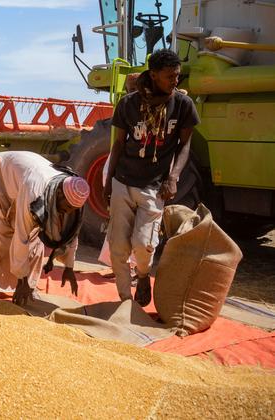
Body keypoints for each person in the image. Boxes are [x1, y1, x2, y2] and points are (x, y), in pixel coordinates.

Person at [104, 49, 200, 306]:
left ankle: (144, 275)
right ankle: (126, 303)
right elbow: (118, 146)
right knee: (118, 248)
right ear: (154, 75)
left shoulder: (182, 105)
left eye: (177, 76)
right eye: (170, 76)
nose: (175, 81)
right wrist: (108, 183)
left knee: (143, 244)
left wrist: (174, 177)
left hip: (154, 187)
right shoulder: (128, 104)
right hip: (123, 181)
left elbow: (185, 145)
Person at [0, 151, 90, 304]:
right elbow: (22, 236)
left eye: (71, 209)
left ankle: (31, 285)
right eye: (66, 208)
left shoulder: (72, 198)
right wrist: (22, 280)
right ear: (58, 193)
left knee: (36, 239)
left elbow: (72, 235)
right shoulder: (34, 193)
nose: (67, 212)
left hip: (22, 176)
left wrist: (69, 267)